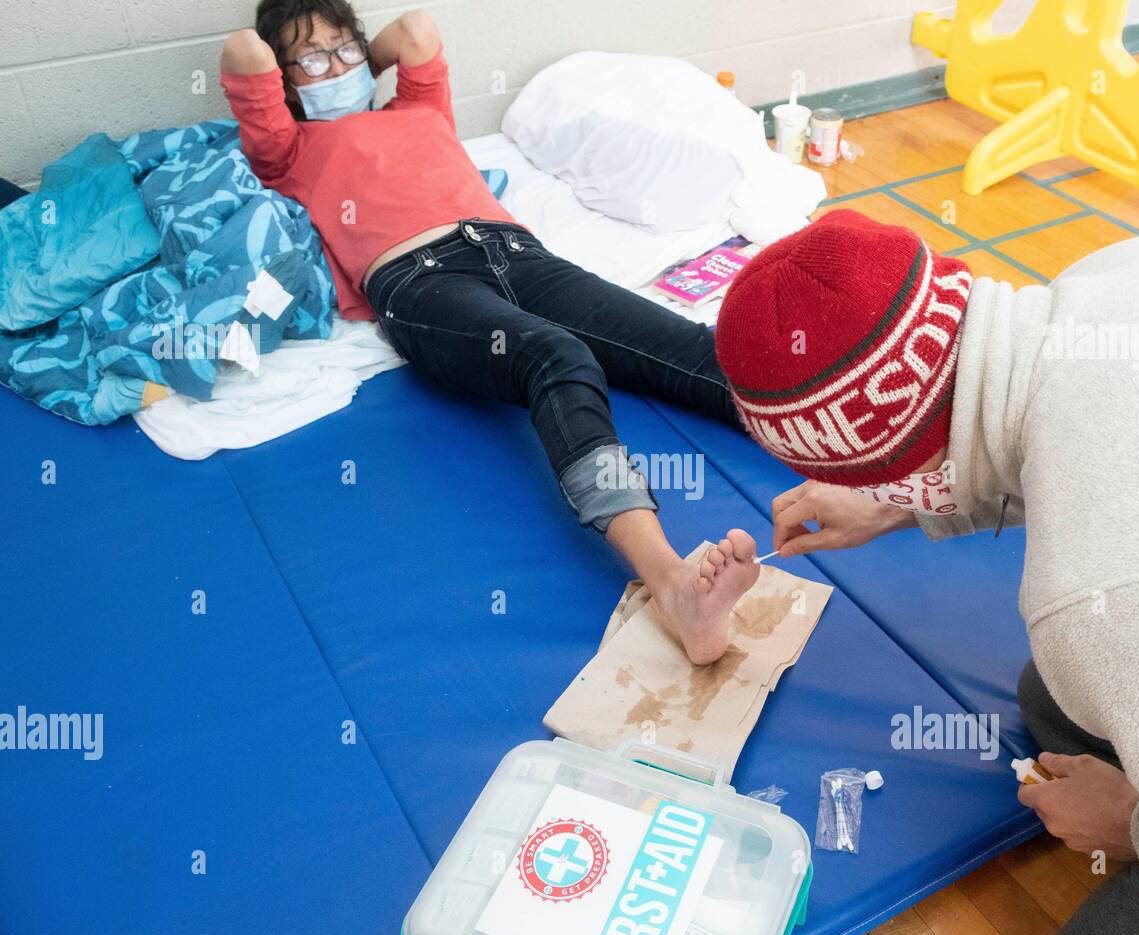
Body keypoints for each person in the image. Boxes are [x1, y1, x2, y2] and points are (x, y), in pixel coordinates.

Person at [713, 208, 1139, 935]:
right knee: (1054, 705)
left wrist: (1135, 830)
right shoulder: (1123, 278)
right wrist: (893, 506)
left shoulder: (1111, 604)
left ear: (894, 462)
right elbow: (1117, 449)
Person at [219, 1, 759, 664]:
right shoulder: (292, 150)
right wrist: (307, 65)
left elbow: (415, 30)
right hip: (416, 278)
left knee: (681, 342)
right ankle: (670, 581)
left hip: (518, 253)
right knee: (556, 357)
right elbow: (245, 47)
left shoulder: (418, 110)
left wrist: (351, 57)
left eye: (345, 50)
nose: (334, 66)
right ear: (288, 81)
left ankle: (848, 452)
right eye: (311, 58)